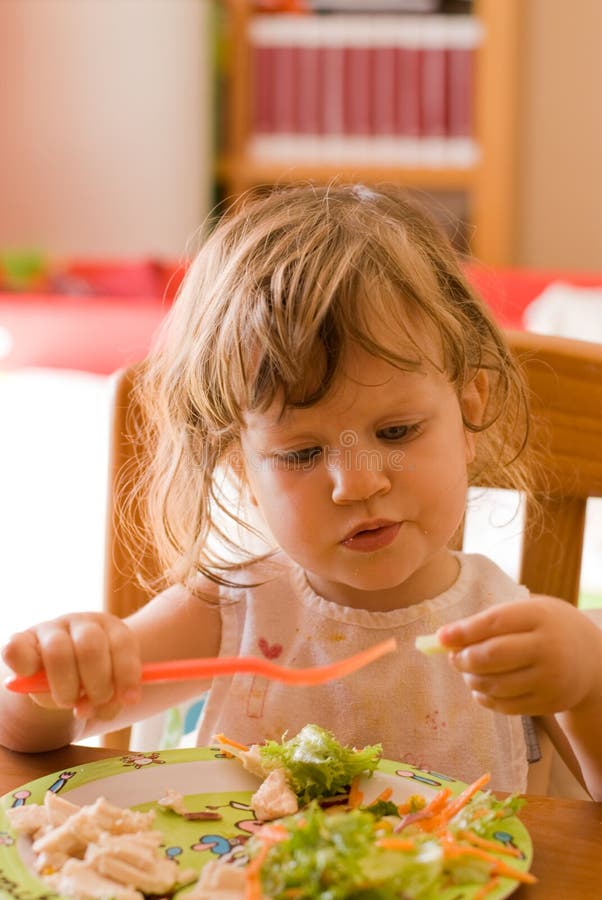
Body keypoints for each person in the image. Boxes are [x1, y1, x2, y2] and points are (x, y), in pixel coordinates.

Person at [1, 184, 601, 799]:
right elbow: (29, 732)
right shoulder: (232, 611)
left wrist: (588, 684)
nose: (358, 482)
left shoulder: (507, 630)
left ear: (468, 412)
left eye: (396, 431)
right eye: (302, 453)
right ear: (242, 469)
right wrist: (56, 677)